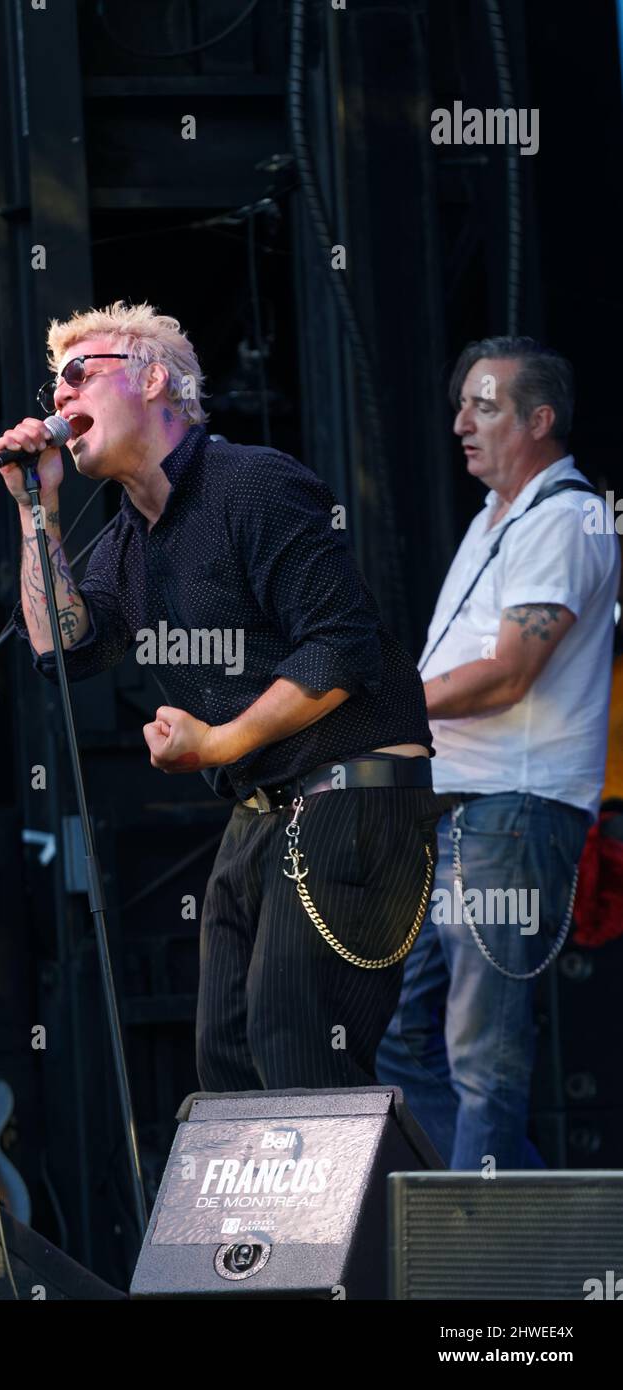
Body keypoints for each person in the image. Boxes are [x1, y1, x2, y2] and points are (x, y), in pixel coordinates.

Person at [0, 300, 439, 1092]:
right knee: (228, 1063)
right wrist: (40, 511)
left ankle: (385, 1222)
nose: (59, 400)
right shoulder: (131, 537)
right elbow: (61, 646)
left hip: (351, 795)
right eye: (50, 390)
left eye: (76, 375)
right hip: (261, 808)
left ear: (155, 377)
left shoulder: (253, 484)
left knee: (300, 1049)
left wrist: (219, 741)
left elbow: (342, 648)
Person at [376, 336, 620, 1168]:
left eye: (484, 406)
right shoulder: (496, 518)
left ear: (539, 420)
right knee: (403, 1042)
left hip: (509, 813)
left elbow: (510, 674)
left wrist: (384, 707)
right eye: (460, 406)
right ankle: (517, 1224)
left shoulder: (565, 517)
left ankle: (486, 1249)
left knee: (481, 1058)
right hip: (464, 810)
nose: (459, 424)